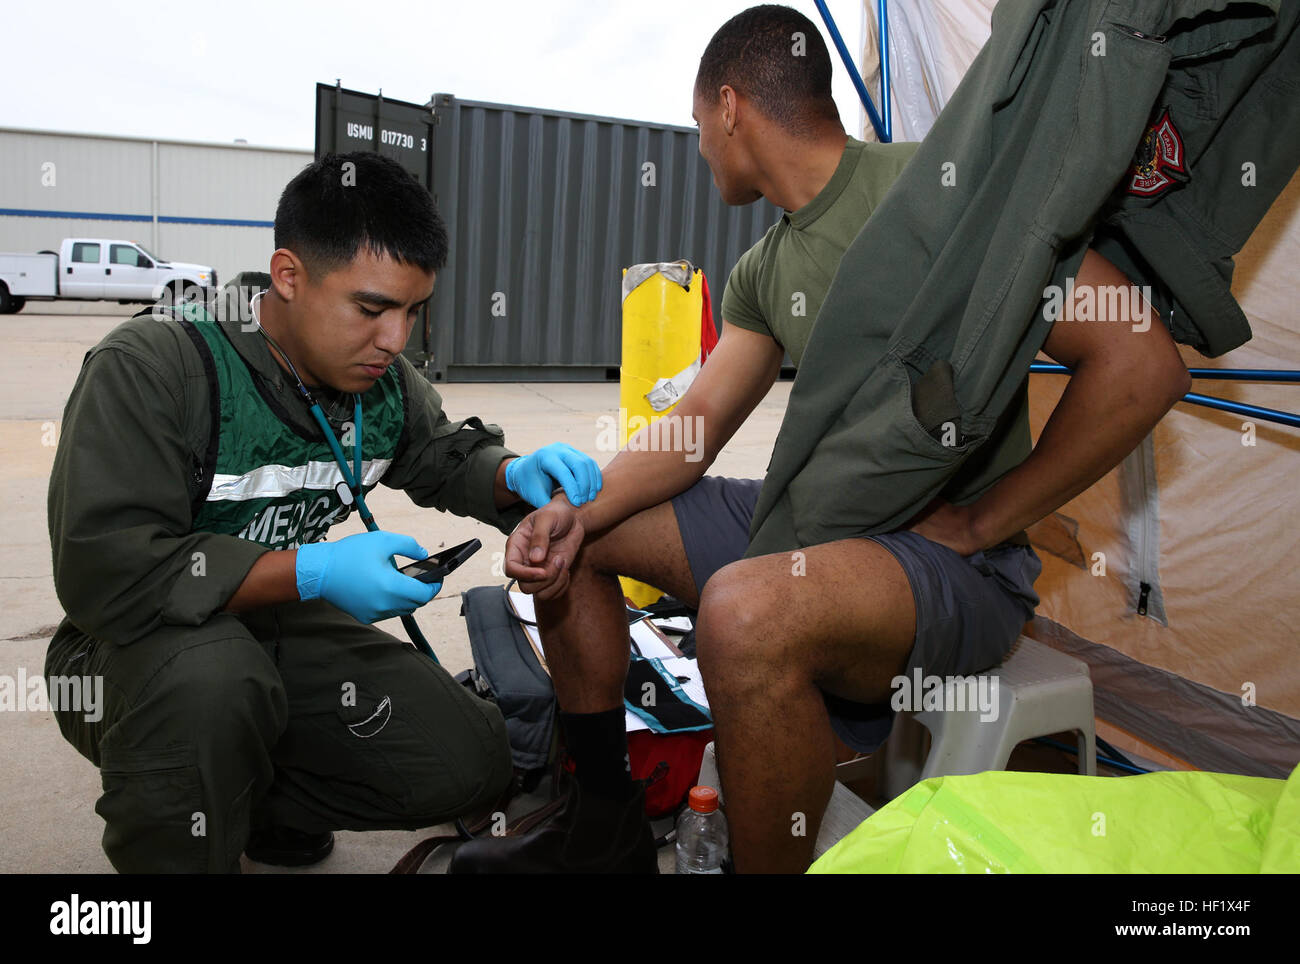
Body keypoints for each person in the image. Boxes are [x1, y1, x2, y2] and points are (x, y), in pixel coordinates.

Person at [449, 4, 1191, 874]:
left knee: (744, 613)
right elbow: (692, 432)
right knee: (577, 537)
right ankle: (604, 825)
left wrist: (984, 524)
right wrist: (576, 508)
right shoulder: (765, 269)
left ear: (731, 108)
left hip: (952, 562)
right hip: (818, 527)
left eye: (697, 127)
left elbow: (1141, 365)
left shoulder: (940, 194)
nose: (698, 149)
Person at [44, 151, 602, 873]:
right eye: (370, 309)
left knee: (467, 759)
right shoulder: (156, 367)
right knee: (212, 683)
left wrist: (515, 476)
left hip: (271, 629)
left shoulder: (382, 385)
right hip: (127, 644)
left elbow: (440, 456)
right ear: (288, 276)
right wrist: (313, 570)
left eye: (412, 311)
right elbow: (107, 572)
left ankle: (261, 806)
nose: (395, 340)